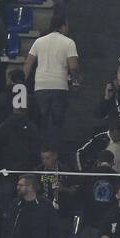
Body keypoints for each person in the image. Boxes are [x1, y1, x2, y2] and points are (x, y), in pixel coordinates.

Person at [24, 17, 80, 149]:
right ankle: (55, 152)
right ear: (63, 26)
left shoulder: (39, 41)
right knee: (57, 123)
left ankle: (42, 150)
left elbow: (28, 64)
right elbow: (73, 66)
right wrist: (75, 80)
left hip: (41, 86)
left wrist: (23, 83)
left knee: (42, 121)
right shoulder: (68, 42)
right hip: (59, 86)